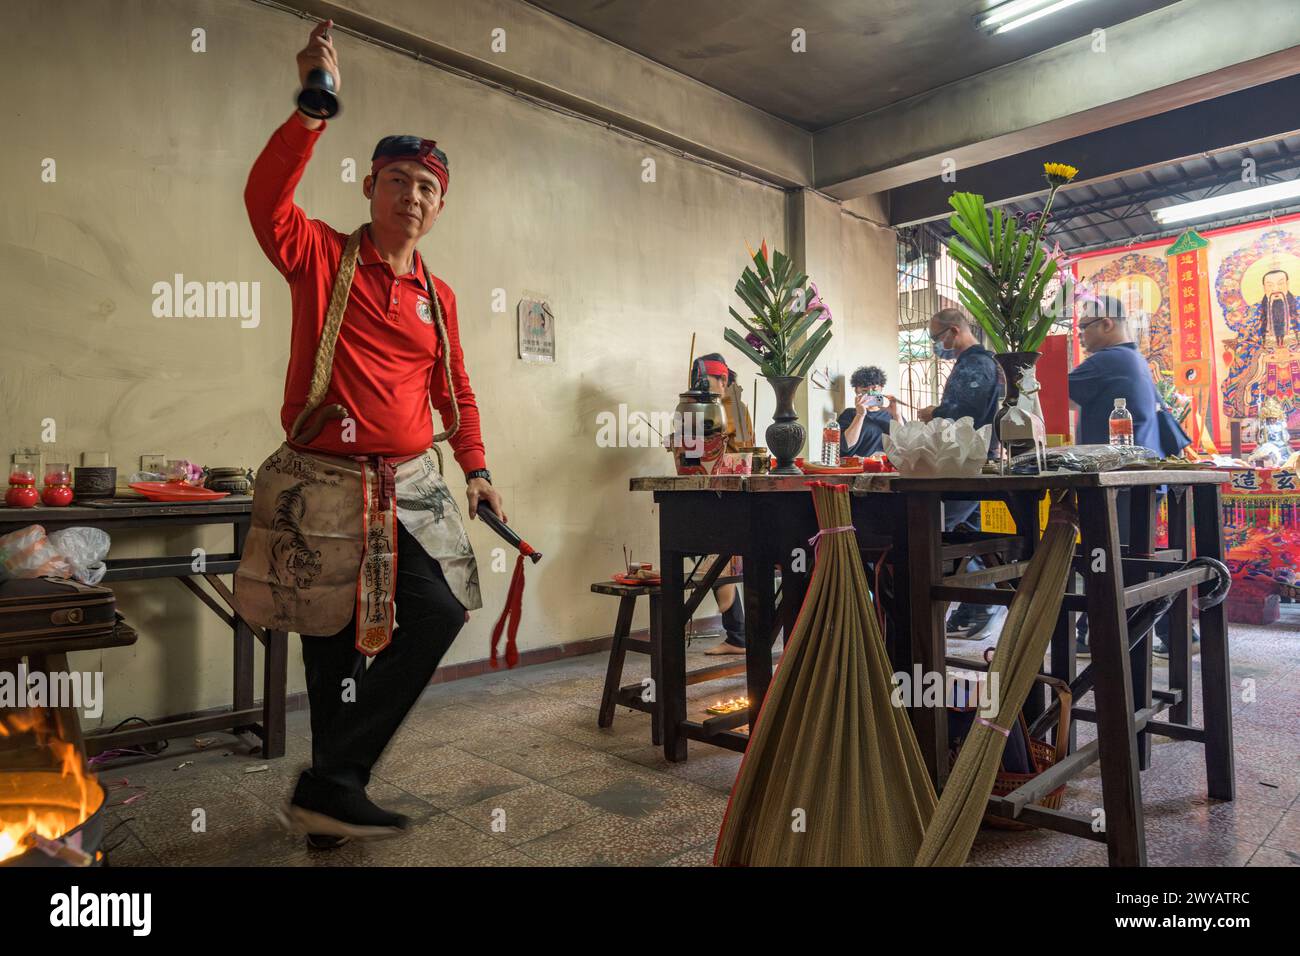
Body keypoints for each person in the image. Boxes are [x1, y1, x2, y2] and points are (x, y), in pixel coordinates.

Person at [235, 21, 507, 849]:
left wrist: (479, 469)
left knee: (436, 610)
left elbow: (454, 387)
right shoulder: (318, 254)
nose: (412, 196)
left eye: (426, 186)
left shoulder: (440, 294)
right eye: (397, 180)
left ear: (439, 203)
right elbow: (264, 201)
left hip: (411, 487)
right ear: (370, 188)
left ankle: (328, 783)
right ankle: (332, 805)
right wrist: (314, 105)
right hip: (322, 484)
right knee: (330, 644)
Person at [1069, 293, 1193, 658]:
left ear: (1107, 324)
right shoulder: (1134, 360)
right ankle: (1090, 631)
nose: (1080, 337)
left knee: (1117, 557)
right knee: (1123, 555)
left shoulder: (1108, 360)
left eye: (1083, 328)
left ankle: (1174, 633)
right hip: (1138, 477)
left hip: (1119, 478)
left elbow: (1047, 389)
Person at [919, 309, 1005, 639]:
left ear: (954, 331)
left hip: (970, 462)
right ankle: (978, 603)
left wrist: (934, 412)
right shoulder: (972, 363)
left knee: (936, 526)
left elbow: (964, 412)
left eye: (936, 338)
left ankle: (986, 600)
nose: (936, 345)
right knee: (971, 537)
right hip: (966, 459)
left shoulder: (977, 363)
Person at [692, 353, 750, 655]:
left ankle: (738, 633)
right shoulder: (708, 407)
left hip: (730, 495)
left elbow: (736, 452)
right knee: (702, 550)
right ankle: (737, 634)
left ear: (722, 380)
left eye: (706, 381)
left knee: (712, 552)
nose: (700, 387)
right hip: (709, 491)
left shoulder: (734, 407)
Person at [838, 366, 901, 458]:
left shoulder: (892, 414)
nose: (870, 394)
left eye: (874, 390)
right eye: (864, 390)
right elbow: (845, 446)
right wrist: (860, 415)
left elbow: (905, 445)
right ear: (856, 391)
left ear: (881, 389)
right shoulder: (849, 414)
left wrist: (897, 415)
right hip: (857, 466)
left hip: (887, 467)